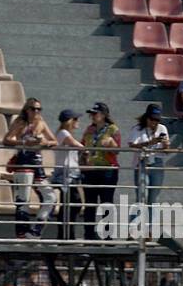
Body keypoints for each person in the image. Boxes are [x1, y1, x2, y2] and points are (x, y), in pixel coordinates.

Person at [3, 98, 57, 239]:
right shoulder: (20, 122)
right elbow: (7, 139)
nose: (36, 112)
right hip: (23, 162)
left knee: (50, 197)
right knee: (24, 199)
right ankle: (21, 234)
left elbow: (54, 141)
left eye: (39, 109)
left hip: (37, 163)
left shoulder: (41, 123)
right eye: (33, 109)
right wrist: (24, 142)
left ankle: (35, 231)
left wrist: (44, 142)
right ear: (27, 110)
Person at [79, 102, 121, 239]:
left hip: (107, 170)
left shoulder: (113, 129)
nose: (92, 116)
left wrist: (111, 144)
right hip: (90, 170)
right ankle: (89, 235)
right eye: (91, 113)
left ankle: (108, 236)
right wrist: (83, 155)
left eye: (95, 113)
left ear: (103, 115)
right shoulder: (89, 129)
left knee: (106, 203)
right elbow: (83, 145)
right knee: (90, 204)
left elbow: (117, 151)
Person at [128, 104, 170, 213]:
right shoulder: (137, 129)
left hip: (157, 163)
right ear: (146, 118)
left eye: (157, 120)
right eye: (152, 119)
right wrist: (149, 142)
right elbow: (132, 145)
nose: (154, 122)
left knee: (153, 198)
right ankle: (134, 226)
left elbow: (166, 151)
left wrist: (166, 145)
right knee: (141, 196)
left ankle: (151, 227)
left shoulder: (162, 128)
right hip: (142, 162)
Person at [51, 109, 84, 240]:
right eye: (75, 119)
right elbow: (76, 145)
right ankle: (65, 235)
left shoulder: (64, 133)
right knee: (73, 203)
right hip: (65, 174)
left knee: (71, 204)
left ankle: (66, 235)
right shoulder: (63, 133)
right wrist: (86, 149)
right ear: (69, 121)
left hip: (71, 173)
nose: (78, 122)